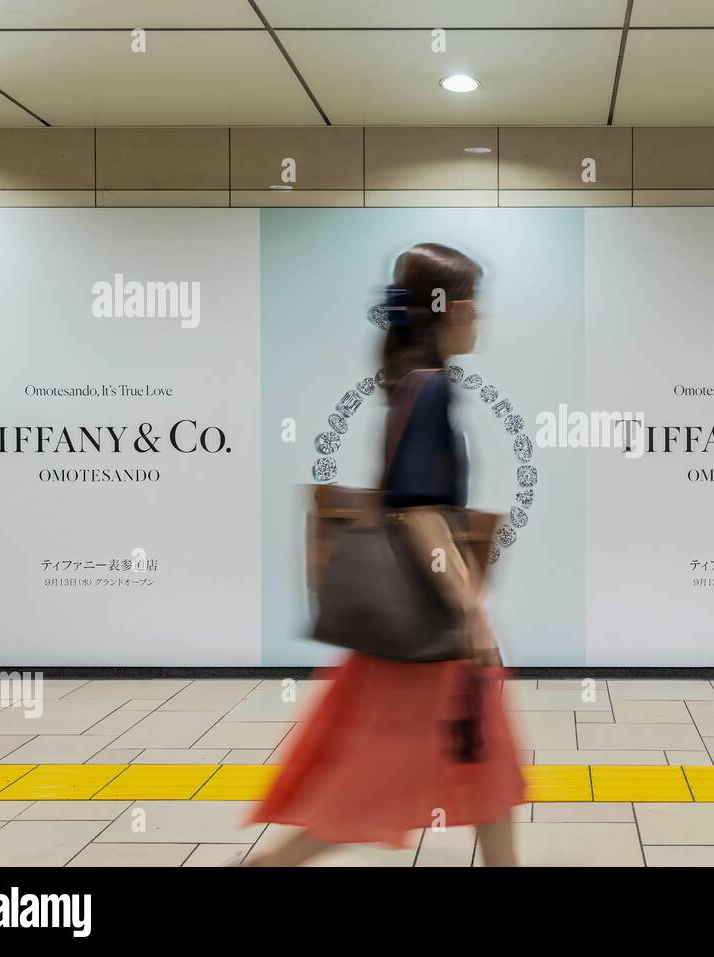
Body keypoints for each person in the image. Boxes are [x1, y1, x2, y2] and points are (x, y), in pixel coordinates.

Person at [247, 243, 525, 866]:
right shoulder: (429, 390)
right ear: (449, 310)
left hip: (424, 633)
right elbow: (417, 513)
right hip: (425, 636)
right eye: (475, 303)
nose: (482, 318)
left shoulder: (412, 383)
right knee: (366, 789)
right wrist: (469, 609)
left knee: (485, 769)